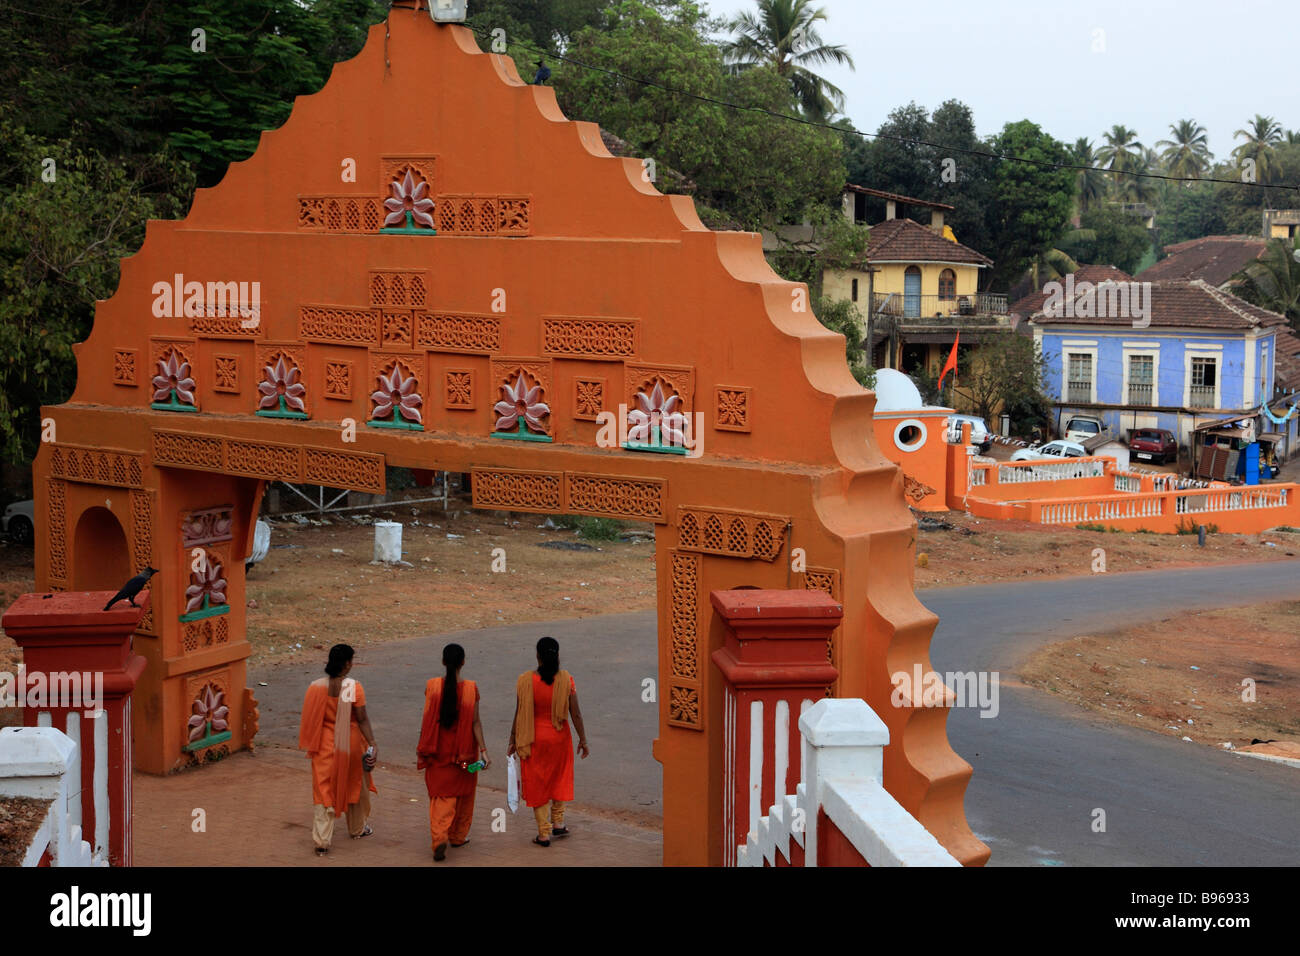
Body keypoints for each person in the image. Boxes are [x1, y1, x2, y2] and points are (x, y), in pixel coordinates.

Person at [507, 636, 589, 847]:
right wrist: (583, 739)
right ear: (558, 655)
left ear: (537, 656)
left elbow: (519, 712)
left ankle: (543, 833)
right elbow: (576, 714)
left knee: (538, 782)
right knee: (559, 778)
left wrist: (512, 739)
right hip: (559, 739)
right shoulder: (566, 679)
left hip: (533, 739)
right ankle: (558, 822)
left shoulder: (525, 681)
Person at [298, 644, 378, 855]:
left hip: (323, 744)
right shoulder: (353, 687)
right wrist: (372, 743)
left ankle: (322, 842)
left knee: (323, 790)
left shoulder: (316, 686)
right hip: (349, 744)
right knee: (355, 784)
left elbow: (312, 719)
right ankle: (357, 828)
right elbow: (362, 718)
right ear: (347, 664)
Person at [416, 642, 489, 861]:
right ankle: (458, 836)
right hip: (465, 757)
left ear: (443, 662)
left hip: (437, 752)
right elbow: (476, 723)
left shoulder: (432, 686)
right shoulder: (470, 689)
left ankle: (440, 838)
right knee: (465, 795)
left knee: (441, 798)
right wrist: (484, 751)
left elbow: (428, 717)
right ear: (463, 662)